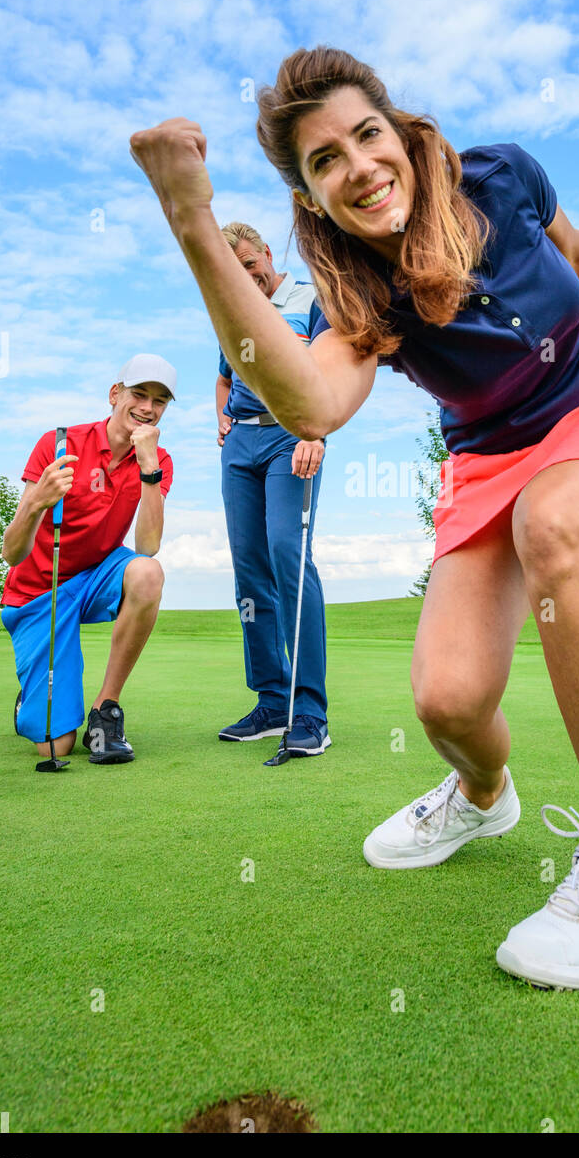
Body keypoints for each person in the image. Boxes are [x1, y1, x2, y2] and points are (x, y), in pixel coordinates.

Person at [129, 48, 579, 989]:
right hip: (485, 459)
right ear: (310, 198)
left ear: (397, 131)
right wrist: (191, 221)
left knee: (553, 527)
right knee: (447, 702)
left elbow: (577, 249)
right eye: (324, 162)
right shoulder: (361, 293)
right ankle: (482, 795)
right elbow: (308, 401)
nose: (358, 166)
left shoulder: (501, 174)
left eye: (366, 135)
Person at [0, 355, 175, 765]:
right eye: (139, 394)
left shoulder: (159, 460)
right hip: (38, 592)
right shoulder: (58, 443)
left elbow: (147, 546)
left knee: (148, 573)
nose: (148, 407)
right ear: (115, 395)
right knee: (54, 745)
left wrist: (148, 468)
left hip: (96, 577)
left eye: (160, 400)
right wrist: (36, 503)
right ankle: (34, 695)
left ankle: (105, 711)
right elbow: (12, 552)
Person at [214, 221, 330, 757]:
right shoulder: (232, 309)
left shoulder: (312, 296)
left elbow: (333, 369)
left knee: (289, 553)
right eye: (232, 272)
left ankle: (309, 712)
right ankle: (271, 698)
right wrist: (221, 419)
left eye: (249, 264)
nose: (245, 277)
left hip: (293, 439)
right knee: (249, 569)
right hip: (241, 447)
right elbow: (223, 374)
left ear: (264, 251)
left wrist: (316, 430)